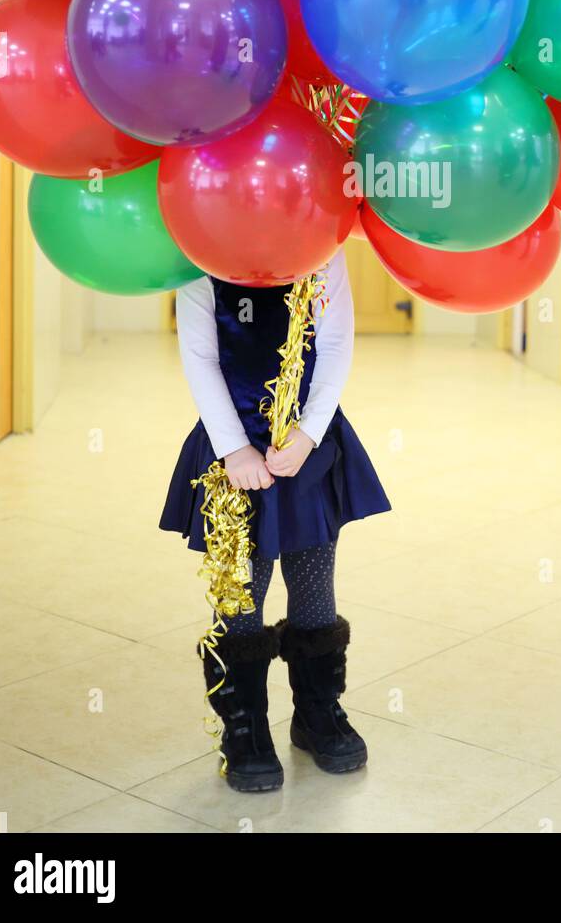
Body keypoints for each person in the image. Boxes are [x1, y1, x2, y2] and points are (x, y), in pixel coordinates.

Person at [160, 250, 390, 792]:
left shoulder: (322, 251)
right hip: (230, 454)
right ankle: (245, 727)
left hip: (306, 447)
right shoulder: (200, 255)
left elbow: (334, 344)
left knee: (314, 587)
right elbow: (200, 355)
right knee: (241, 593)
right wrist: (235, 450)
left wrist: (310, 434)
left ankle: (318, 711)